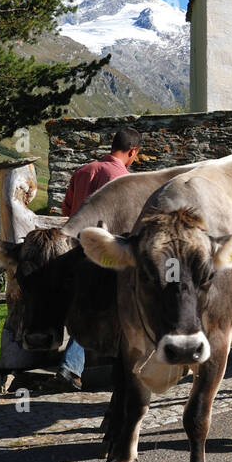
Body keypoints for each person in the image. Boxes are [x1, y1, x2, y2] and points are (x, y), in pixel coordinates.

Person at [55, 126, 142, 390]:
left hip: (76, 247)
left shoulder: (82, 171)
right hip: (105, 252)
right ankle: (76, 366)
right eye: (135, 156)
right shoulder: (122, 179)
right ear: (132, 151)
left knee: (85, 305)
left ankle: (80, 366)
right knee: (109, 306)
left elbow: (66, 210)